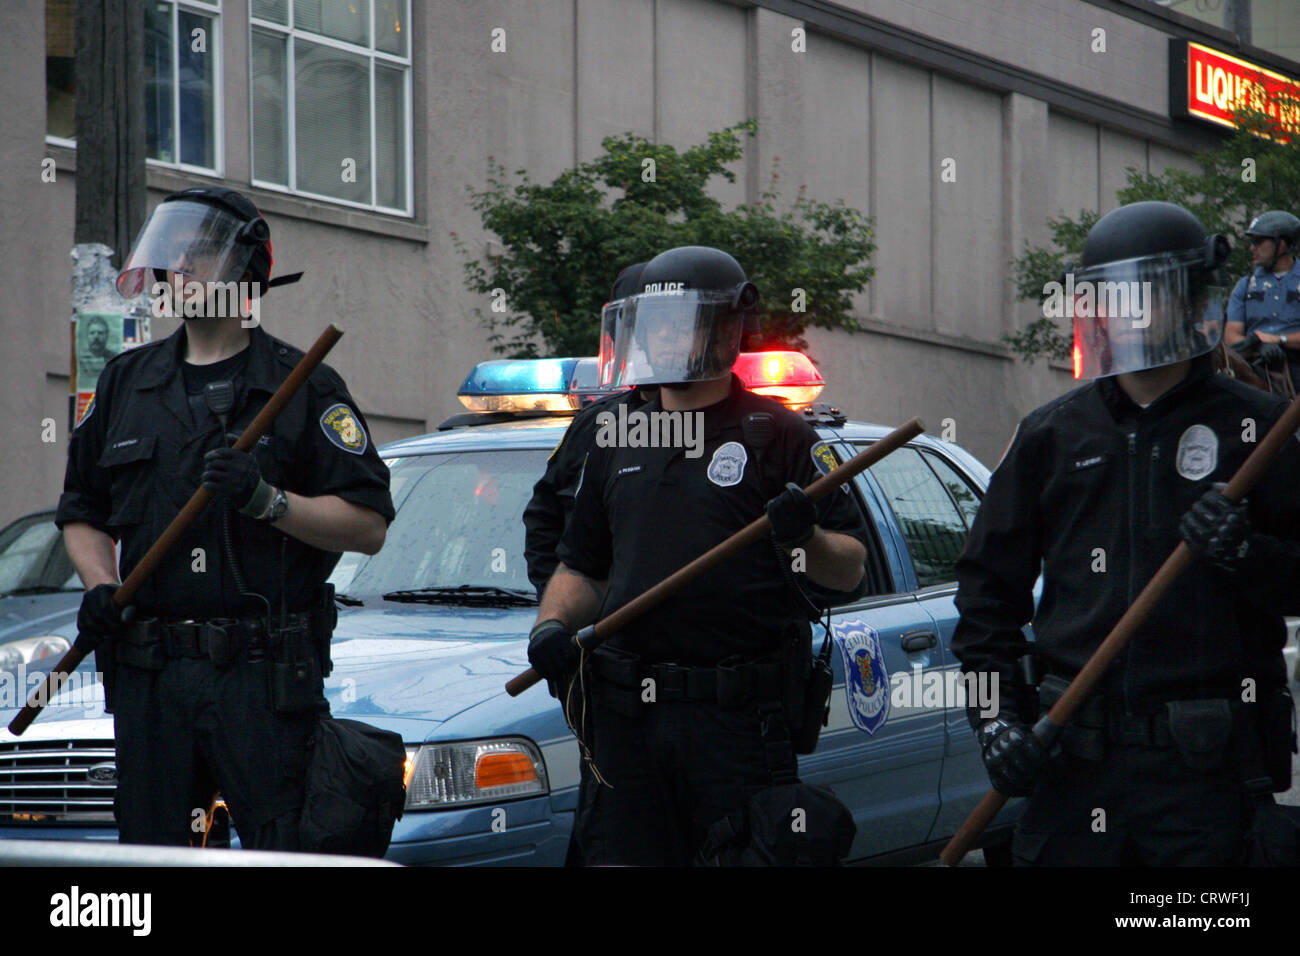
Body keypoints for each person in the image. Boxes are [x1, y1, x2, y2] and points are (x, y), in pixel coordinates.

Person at [952, 201, 1300, 866]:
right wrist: (995, 719)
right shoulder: (1051, 434)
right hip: (1072, 770)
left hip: (1204, 779)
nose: (1133, 311)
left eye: (1152, 292)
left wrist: (1247, 553)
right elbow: (984, 597)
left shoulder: (1257, 429)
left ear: (1188, 297)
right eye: (1115, 294)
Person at [57, 186, 395, 849]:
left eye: (196, 254)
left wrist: (269, 502)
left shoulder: (302, 385)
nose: (176, 269)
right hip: (151, 676)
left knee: (283, 855)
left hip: (262, 678)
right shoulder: (126, 383)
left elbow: (368, 524)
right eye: (169, 255)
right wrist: (99, 584)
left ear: (244, 270)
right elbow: (82, 511)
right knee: (151, 863)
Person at [526, 245, 870, 865]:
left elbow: (849, 567)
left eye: (677, 320)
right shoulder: (614, 435)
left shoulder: (782, 435)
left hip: (736, 727)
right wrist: (553, 624)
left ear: (728, 326)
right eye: (651, 323)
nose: (662, 337)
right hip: (624, 726)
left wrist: (805, 538)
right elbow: (583, 565)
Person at [522, 261, 655, 866]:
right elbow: (549, 522)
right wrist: (564, 617)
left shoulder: (745, 427)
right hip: (611, 674)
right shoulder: (604, 424)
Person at [1225, 210, 1300, 394]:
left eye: (1258, 242)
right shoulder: (1245, 284)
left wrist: (1279, 340)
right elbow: (1231, 334)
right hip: (1255, 362)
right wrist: (1258, 345)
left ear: (1281, 244)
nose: (1252, 248)